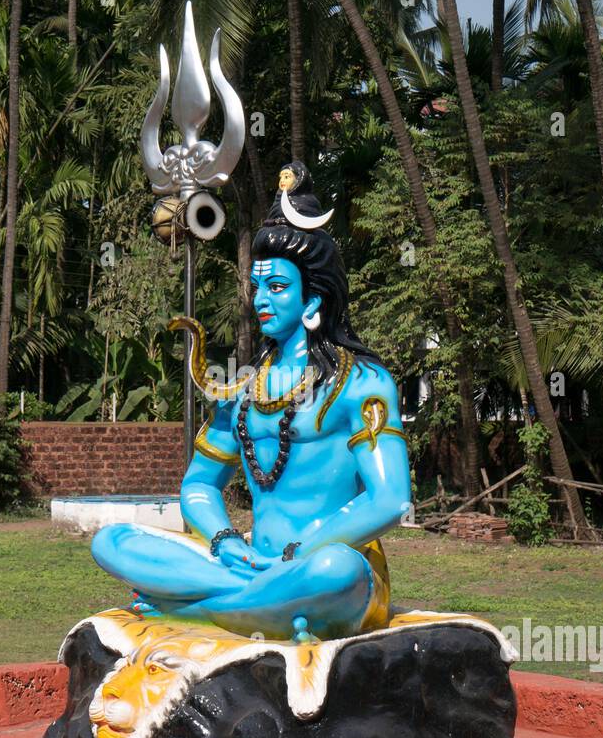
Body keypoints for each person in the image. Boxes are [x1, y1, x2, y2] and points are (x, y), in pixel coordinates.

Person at [91, 165, 412, 641]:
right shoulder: (243, 389)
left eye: (278, 287)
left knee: (336, 570)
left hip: (319, 563)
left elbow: (389, 500)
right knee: (112, 541)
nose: (262, 300)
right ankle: (257, 602)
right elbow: (199, 485)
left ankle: (201, 611)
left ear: (312, 301)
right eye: (258, 287)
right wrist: (222, 540)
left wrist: (297, 553)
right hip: (244, 561)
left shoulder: (361, 382)